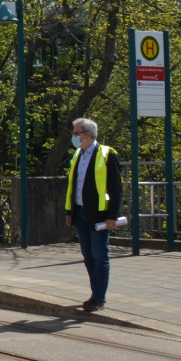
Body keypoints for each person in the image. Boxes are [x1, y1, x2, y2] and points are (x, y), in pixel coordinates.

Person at [64, 117, 122, 312]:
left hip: (99, 215)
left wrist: (112, 216)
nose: (74, 137)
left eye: (76, 134)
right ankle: (94, 293)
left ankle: (99, 297)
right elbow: (73, 186)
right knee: (88, 256)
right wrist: (69, 211)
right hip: (79, 212)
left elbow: (116, 188)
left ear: (88, 135)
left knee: (99, 255)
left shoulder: (106, 154)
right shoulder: (77, 155)